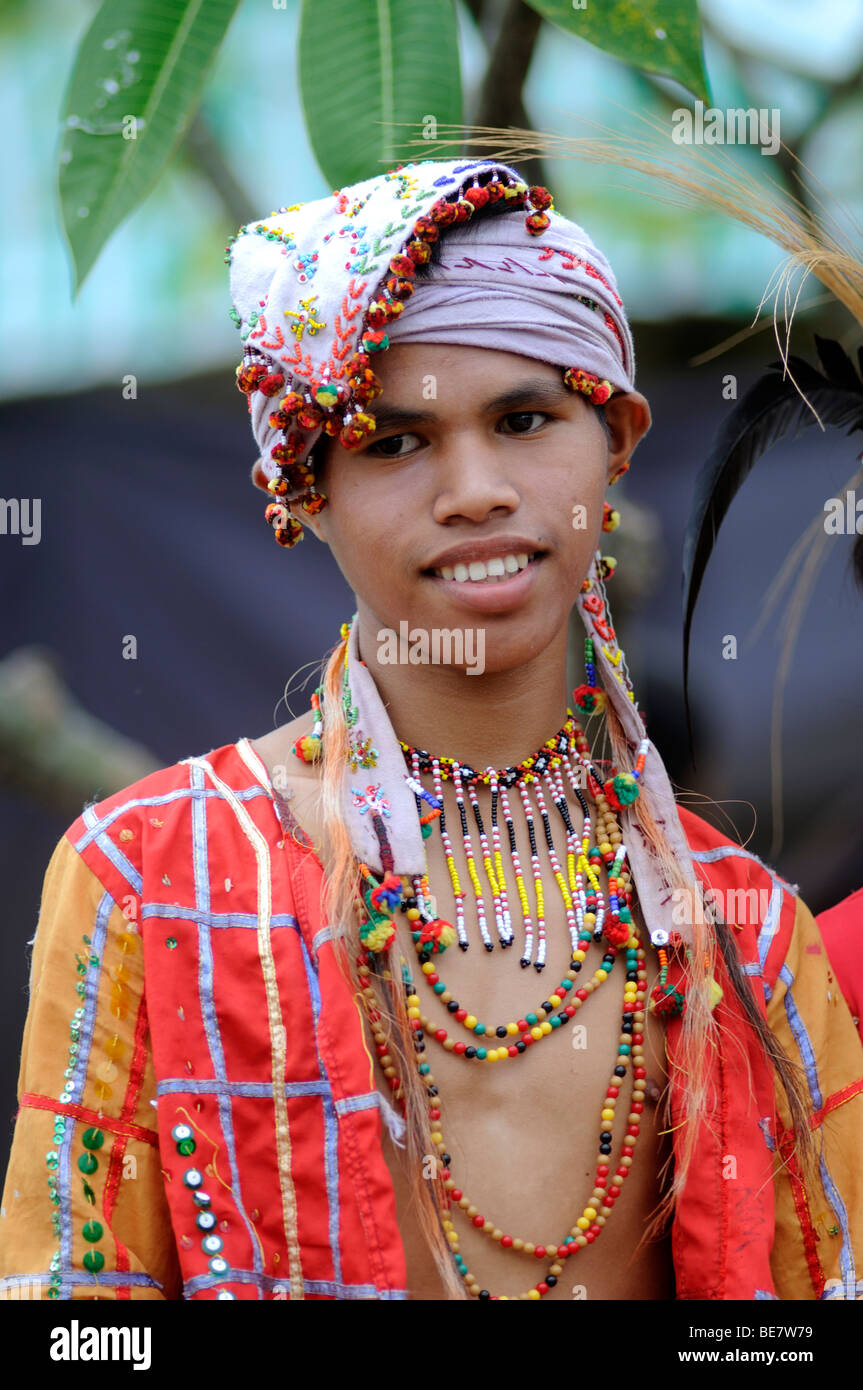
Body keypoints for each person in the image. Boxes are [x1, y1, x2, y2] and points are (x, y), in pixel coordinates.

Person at [1, 158, 861, 1302]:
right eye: (392, 441)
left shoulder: (744, 936)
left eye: (522, 419)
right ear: (303, 488)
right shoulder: (151, 870)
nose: (472, 488)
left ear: (614, 444)